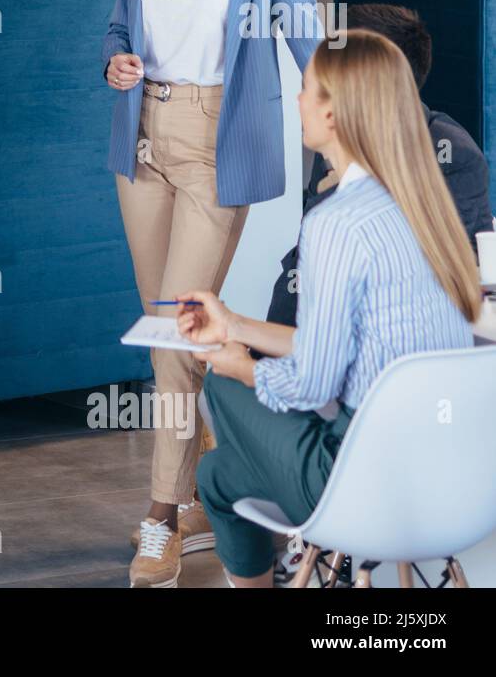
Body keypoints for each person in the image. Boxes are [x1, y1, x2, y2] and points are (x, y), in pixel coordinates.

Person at [102, 0, 323, 587]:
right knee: (163, 329)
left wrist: (350, 136)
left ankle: (159, 520)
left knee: (173, 338)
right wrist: (115, 60)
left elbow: (308, 43)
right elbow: (121, 22)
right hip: (143, 135)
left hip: (214, 143)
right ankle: (196, 494)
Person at [176, 29, 481, 588]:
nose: (296, 100)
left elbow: (314, 383)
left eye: (307, 89)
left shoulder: (337, 222)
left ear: (335, 115)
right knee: (221, 472)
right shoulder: (427, 208)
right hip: (459, 488)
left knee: (221, 394)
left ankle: (287, 549)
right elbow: (343, 345)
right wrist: (236, 325)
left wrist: (237, 364)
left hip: (364, 486)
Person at [266, 4, 492, 328]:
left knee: (220, 377)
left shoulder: (452, 156)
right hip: (297, 322)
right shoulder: (338, 135)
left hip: (374, 345)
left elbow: (446, 280)